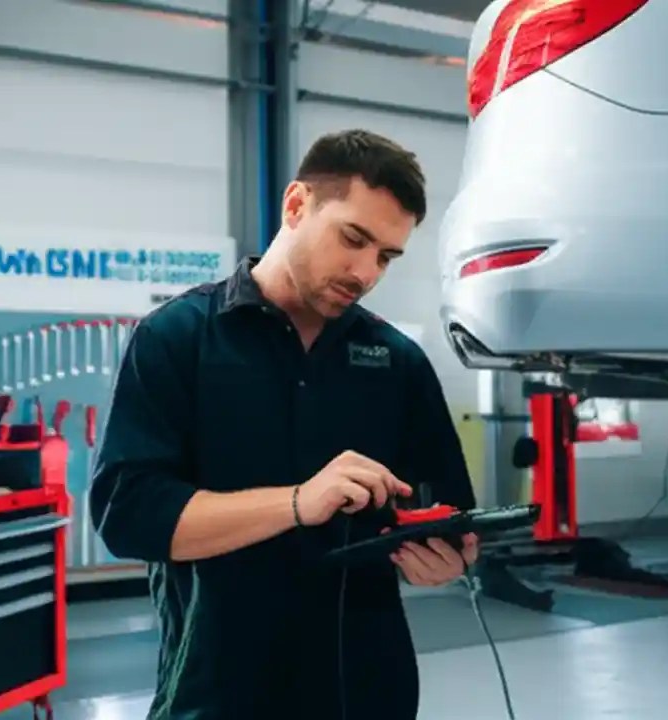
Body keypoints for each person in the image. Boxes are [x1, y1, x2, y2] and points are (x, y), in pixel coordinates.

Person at [89, 128, 479, 720]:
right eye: (353, 239)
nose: (366, 271)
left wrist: (447, 560)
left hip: (366, 691)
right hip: (219, 692)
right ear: (296, 205)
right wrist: (297, 502)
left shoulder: (397, 363)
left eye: (386, 257)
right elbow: (130, 517)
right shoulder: (177, 339)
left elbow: (445, 509)